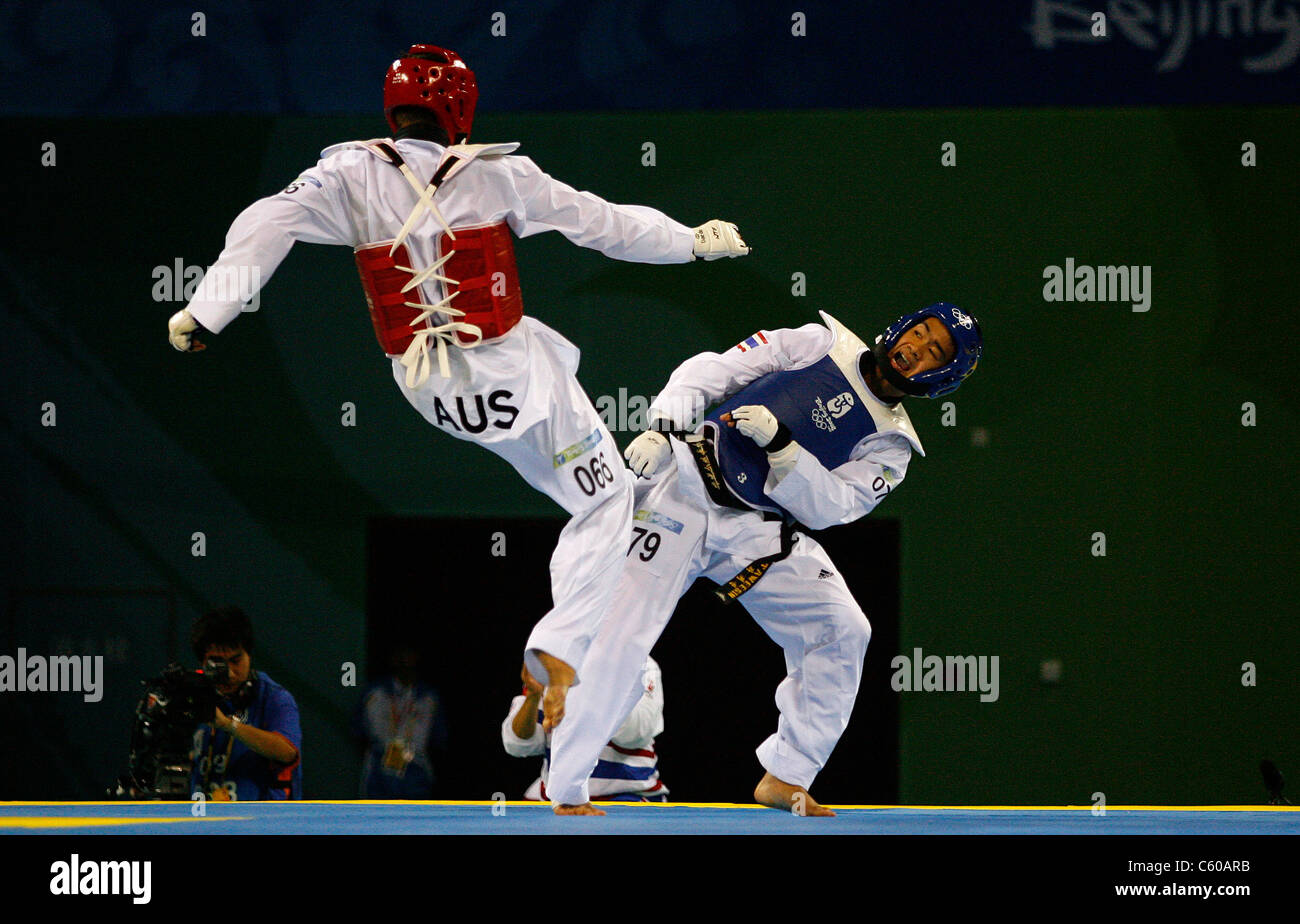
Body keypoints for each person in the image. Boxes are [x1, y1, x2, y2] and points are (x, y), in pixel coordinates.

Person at [166, 45, 748, 723]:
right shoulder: (497, 173)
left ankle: (560, 658)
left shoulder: (347, 173)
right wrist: (692, 242)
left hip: (428, 393)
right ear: (462, 111)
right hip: (514, 378)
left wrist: (209, 307)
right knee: (609, 500)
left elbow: (267, 220)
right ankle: (559, 652)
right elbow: (603, 224)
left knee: (586, 494)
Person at [545, 304, 982, 816]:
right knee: (623, 631)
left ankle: (787, 774)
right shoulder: (818, 345)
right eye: (920, 332)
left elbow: (831, 508)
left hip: (758, 529)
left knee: (842, 628)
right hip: (686, 485)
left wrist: (783, 449)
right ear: (901, 326)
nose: (916, 347)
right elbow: (712, 370)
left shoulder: (892, 446)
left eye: (934, 352)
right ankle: (570, 787)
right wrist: (664, 427)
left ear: (940, 377)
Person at [503, 658, 667, 802]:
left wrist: (591, 680)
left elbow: (635, 733)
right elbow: (518, 746)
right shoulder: (553, 662)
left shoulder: (641, 664)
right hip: (557, 797)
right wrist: (532, 696)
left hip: (626, 794)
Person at [189, 606, 303, 800]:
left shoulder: (274, 698)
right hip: (203, 820)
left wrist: (228, 724)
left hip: (265, 824)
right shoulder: (193, 695)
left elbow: (288, 752)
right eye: (218, 663)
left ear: (249, 655)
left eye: (236, 660)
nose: (230, 673)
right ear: (203, 662)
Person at [356, 644, 447, 798]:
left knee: (417, 818)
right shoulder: (375, 693)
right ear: (394, 660)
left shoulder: (429, 697)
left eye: (411, 657)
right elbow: (357, 729)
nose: (407, 662)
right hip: (380, 767)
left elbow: (440, 737)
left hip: (416, 768)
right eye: (402, 657)